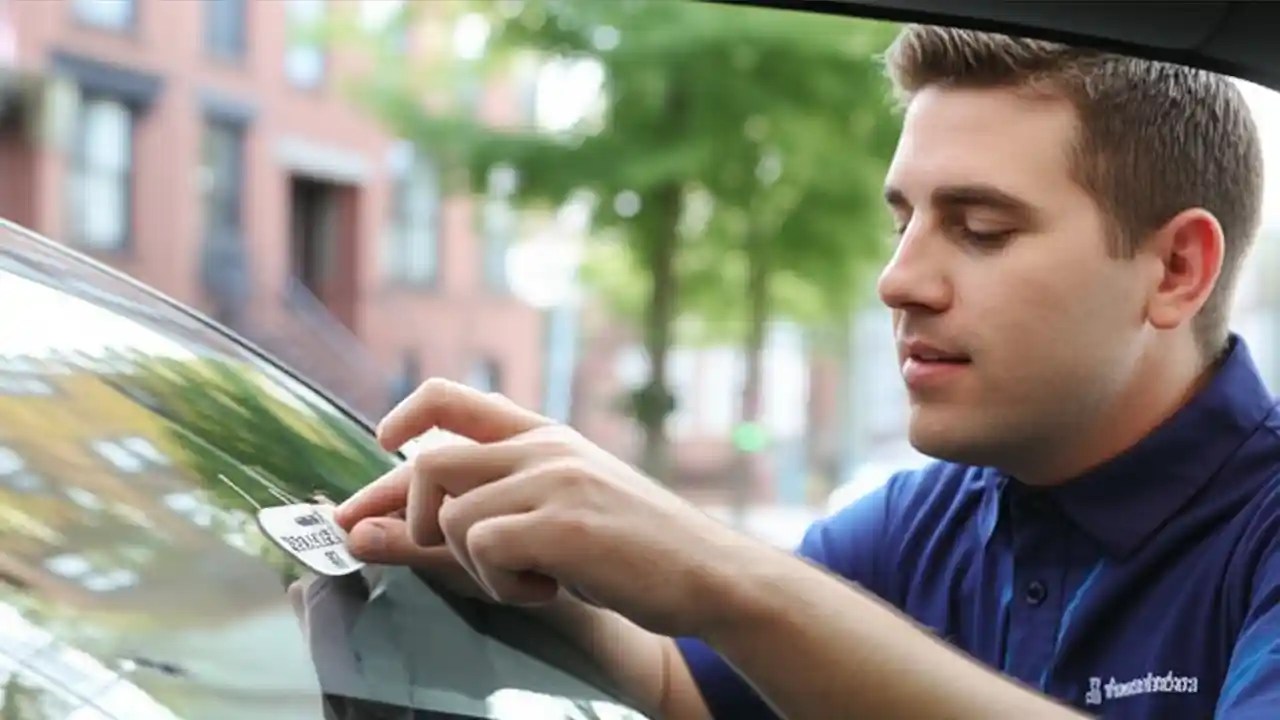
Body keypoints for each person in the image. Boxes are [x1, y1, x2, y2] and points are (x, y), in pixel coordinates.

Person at [332, 24, 1280, 720]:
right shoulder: (926, 521)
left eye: (980, 229)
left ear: (1175, 270)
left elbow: (743, 607)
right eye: (901, 220)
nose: (898, 278)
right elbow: (686, 684)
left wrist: (727, 574)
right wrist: (528, 566)